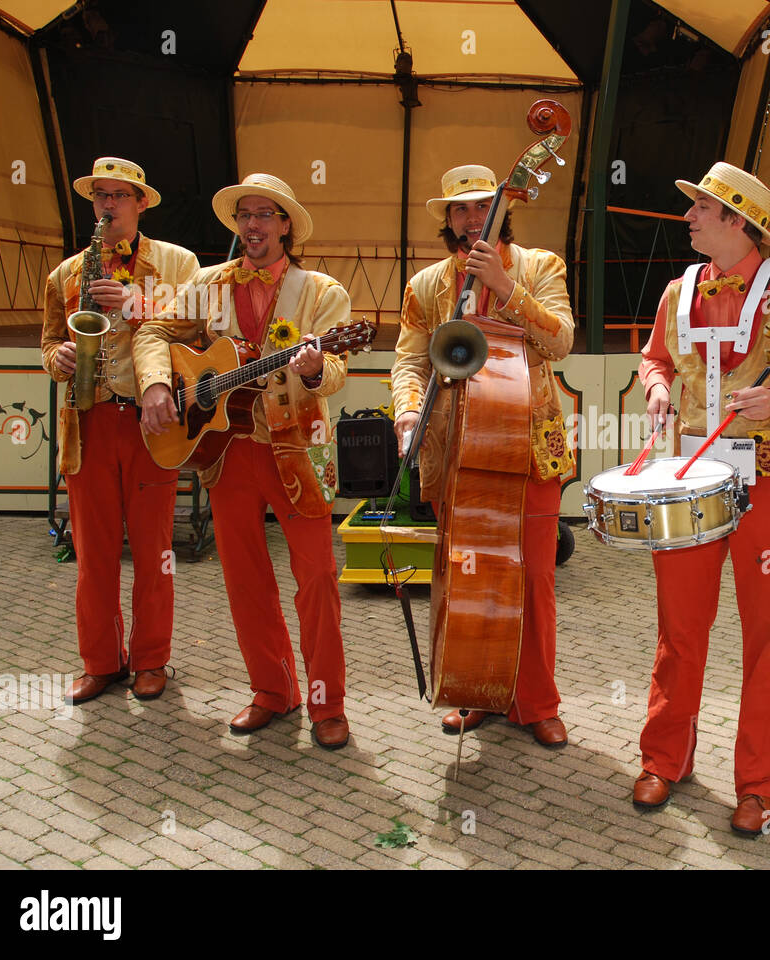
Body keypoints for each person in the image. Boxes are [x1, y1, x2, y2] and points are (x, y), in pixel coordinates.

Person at [635, 162, 770, 834]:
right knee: (679, 631)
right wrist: (657, 387)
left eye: (699, 208)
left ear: (734, 219)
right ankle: (665, 759)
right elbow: (655, 358)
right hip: (692, 479)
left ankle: (757, 787)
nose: (687, 217)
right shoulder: (678, 290)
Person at [134, 174, 351, 749]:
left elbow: (334, 371)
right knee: (245, 581)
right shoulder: (206, 284)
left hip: (298, 451)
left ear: (286, 225)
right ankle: (273, 692)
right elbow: (155, 329)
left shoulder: (321, 290)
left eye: (264, 215)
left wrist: (312, 369)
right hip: (225, 451)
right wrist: (159, 383)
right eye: (244, 216)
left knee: (319, 579)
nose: (252, 226)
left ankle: (328, 703)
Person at [390, 164, 574, 748]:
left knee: (534, 579)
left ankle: (536, 701)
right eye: (460, 210)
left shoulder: (542, 267)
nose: (472, 219)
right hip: (457, 449)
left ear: (504, 211)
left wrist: (508, 286)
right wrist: (407, 412)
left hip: (529, 443)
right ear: (447, 220)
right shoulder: (425, 287)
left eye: (482, 207)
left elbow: (561, 340)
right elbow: (409, 361)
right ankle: (478, 691)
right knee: (466, 576)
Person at [42, 157, 199, 705]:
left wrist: (139, 305)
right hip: (87, 424)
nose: (107, 205)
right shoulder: (67, 272)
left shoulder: (178, 262)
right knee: (95, 553)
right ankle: (101, 662)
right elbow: (46, 344)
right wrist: (58, 357)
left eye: (119, 195)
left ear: (140, 202)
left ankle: (152, 659)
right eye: (99, 196)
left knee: (155, 551)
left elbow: (196, 328)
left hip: (150, 423)